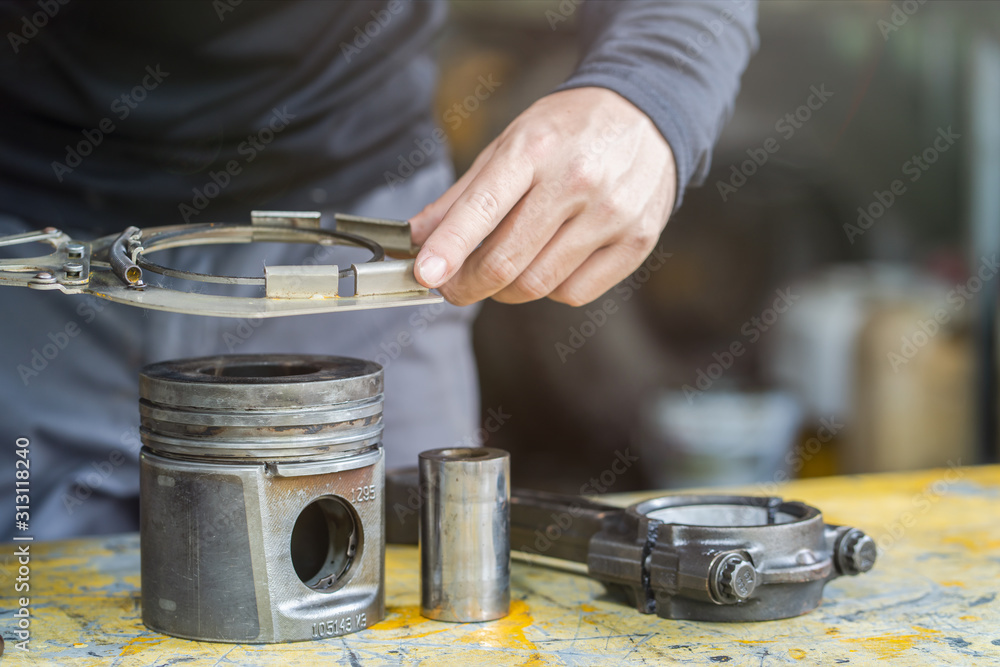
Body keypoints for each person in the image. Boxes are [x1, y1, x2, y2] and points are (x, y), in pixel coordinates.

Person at [0, 0, 757, 540]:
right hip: (31, 256)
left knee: (411, 602)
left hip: (364, 240)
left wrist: (650, 94)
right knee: (33, 617)